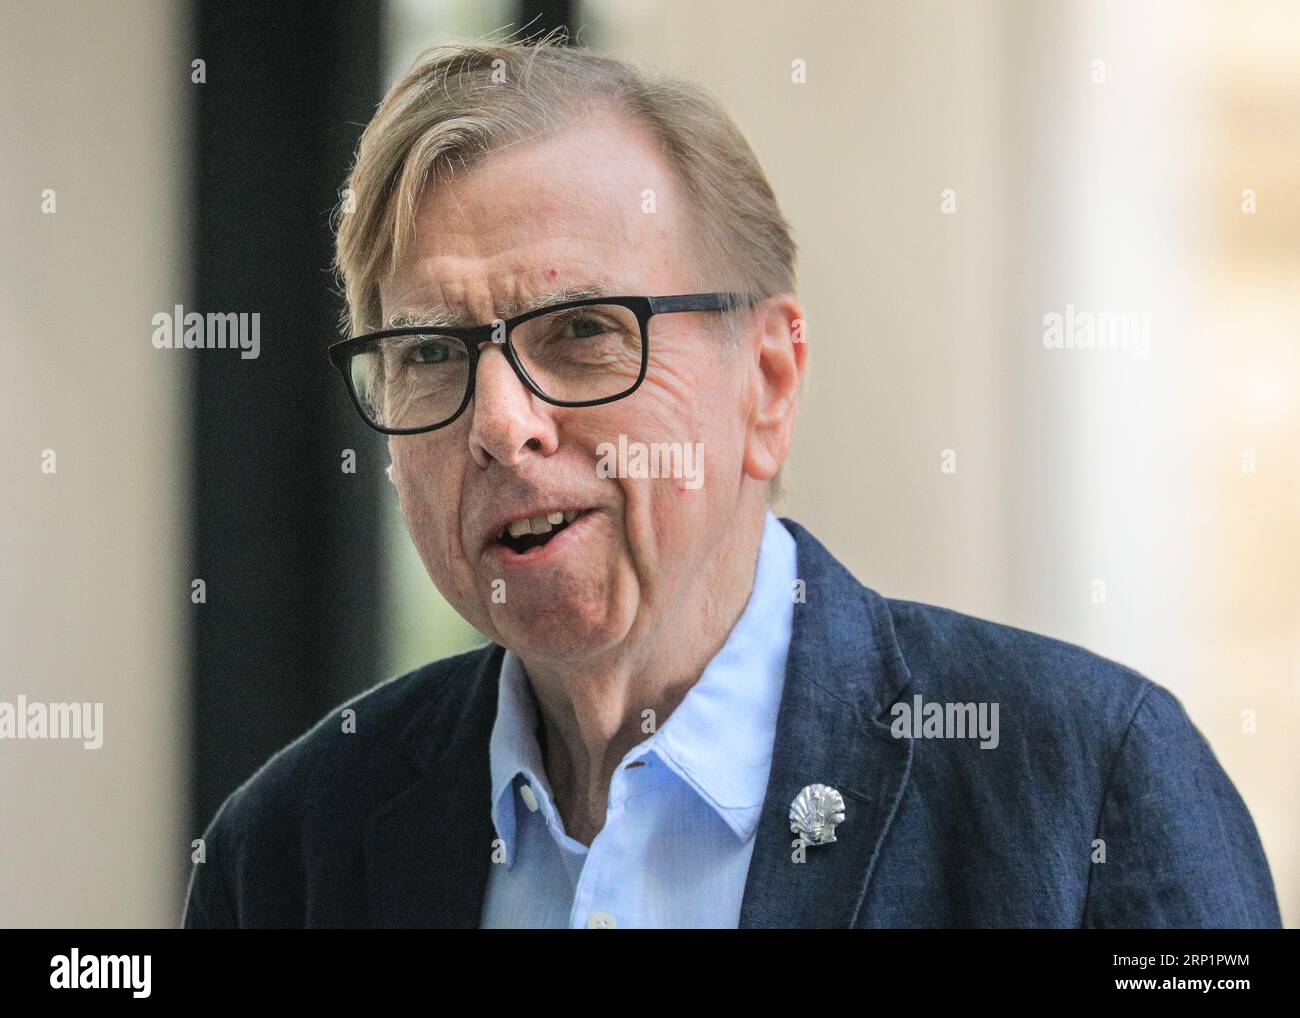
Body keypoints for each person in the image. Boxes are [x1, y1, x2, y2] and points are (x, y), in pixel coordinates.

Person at [182, 37, 1281, 929]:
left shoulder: (1086, 785)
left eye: (581, 331)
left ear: (767, 382)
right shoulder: (288, 847)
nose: (501, 425)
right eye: (428, 351)